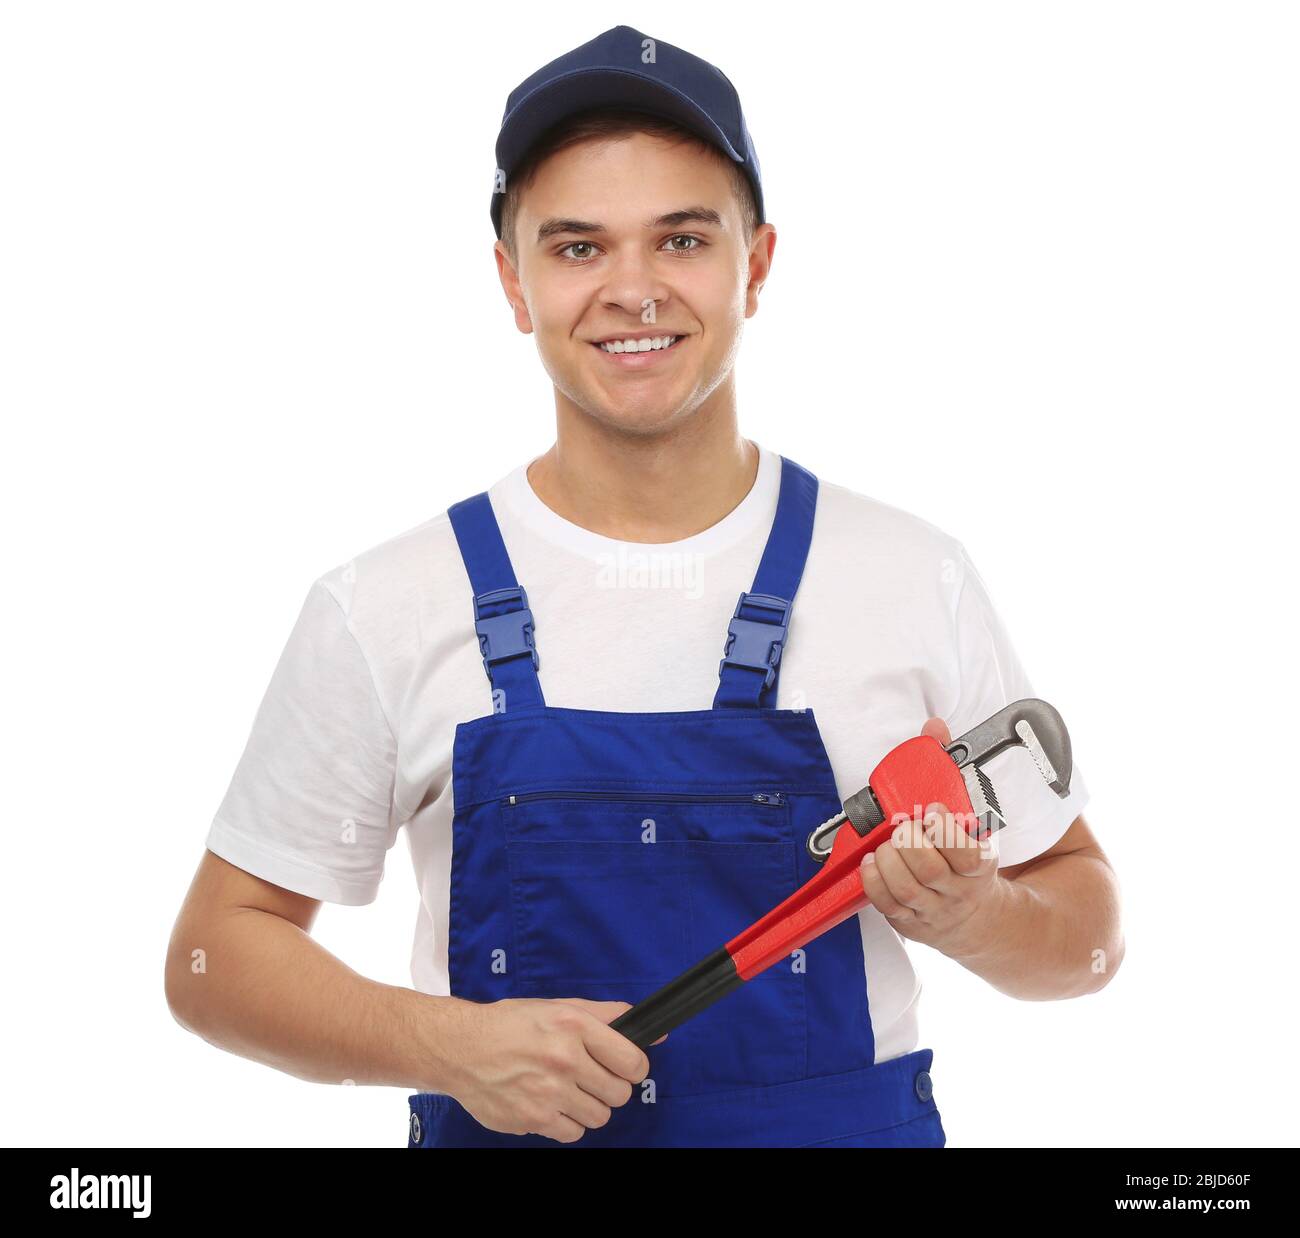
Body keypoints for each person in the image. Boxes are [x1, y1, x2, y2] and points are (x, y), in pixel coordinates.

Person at [165, 25, 1120, 1148]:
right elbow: (212, 954)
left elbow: (1087, 933)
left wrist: (982, 912)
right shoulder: (386, 603)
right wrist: (437, 1042)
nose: (631, 289)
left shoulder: (909, 573)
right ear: (512, 281)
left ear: (755, 264)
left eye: (680, 238)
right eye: (576, 248)